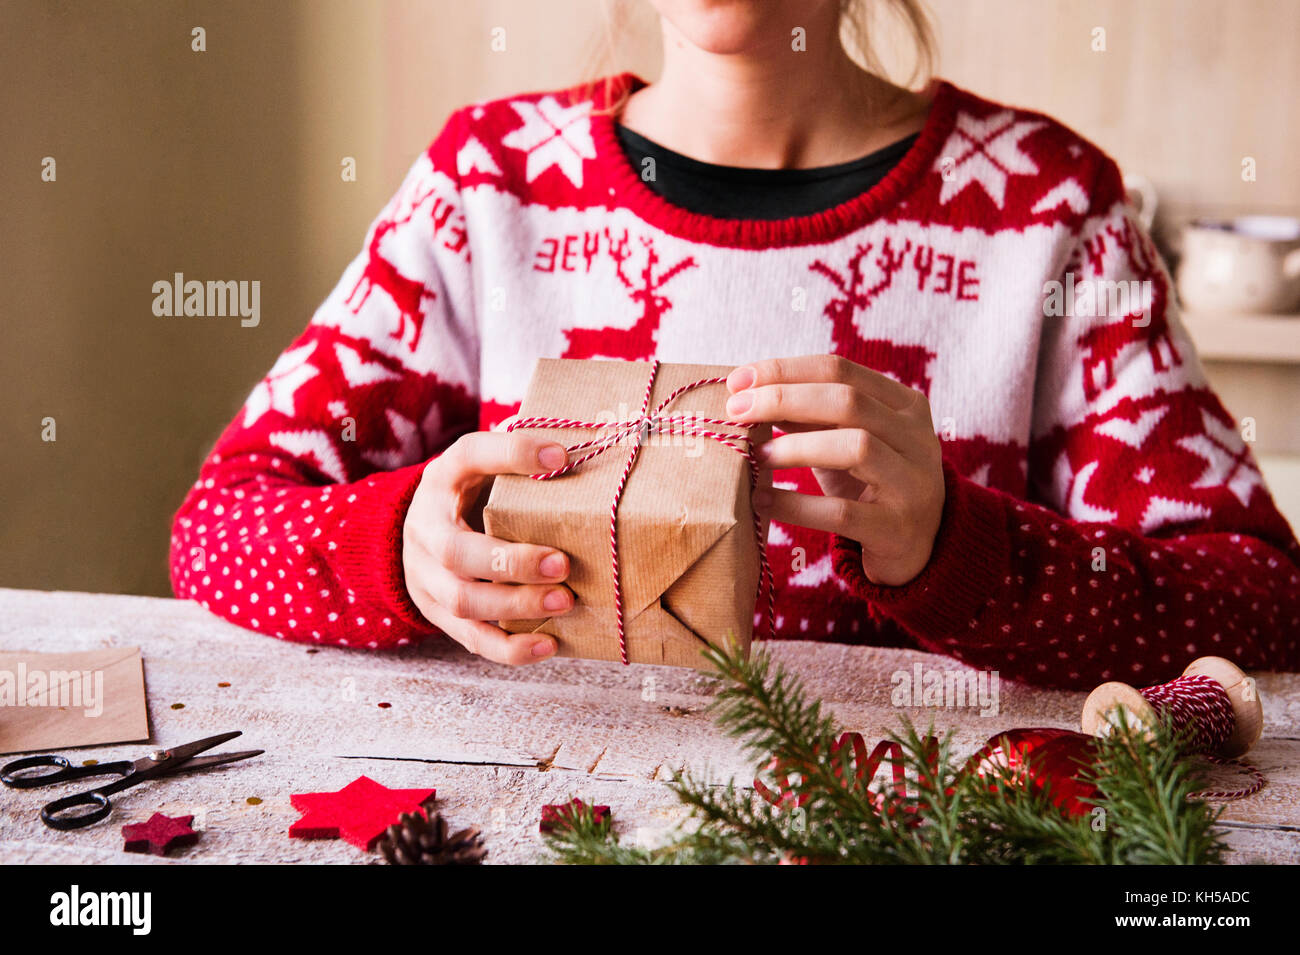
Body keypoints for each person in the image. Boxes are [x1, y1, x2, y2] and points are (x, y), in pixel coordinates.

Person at [169, 0, 1300, 688]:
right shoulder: (486, 184)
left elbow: (1259, 598)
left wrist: (962, 549)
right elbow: (217, 529)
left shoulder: (1048, 209)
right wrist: (401, 552)